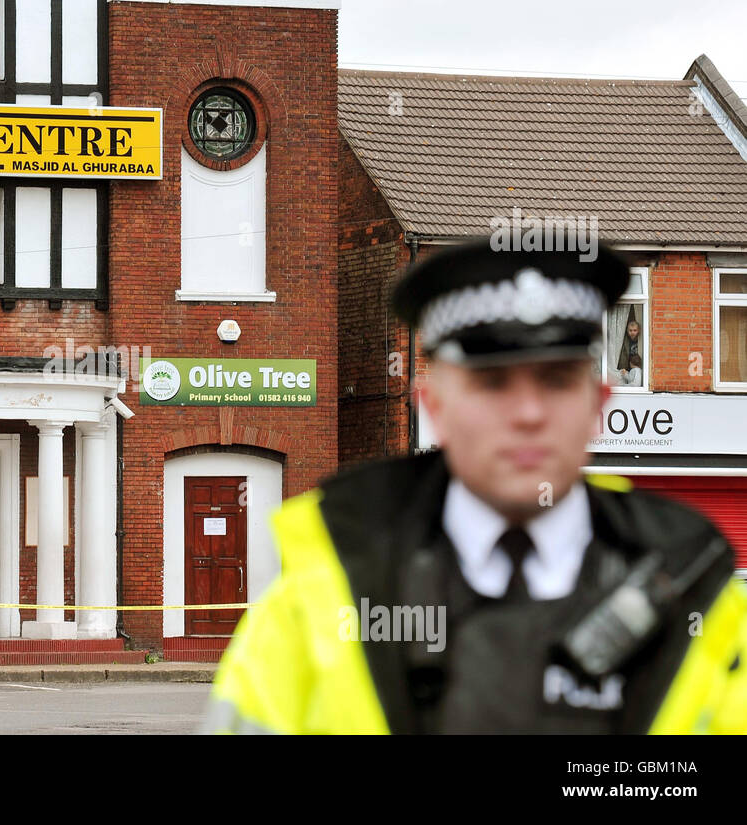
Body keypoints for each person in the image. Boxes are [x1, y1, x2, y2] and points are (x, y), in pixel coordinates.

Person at [203, 240, 747, 734]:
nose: (529, 413)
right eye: (492, 383)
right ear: (433, 405)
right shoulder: (316, 604)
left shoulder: (702, 597)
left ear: (598, 403)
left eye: (557, 381)